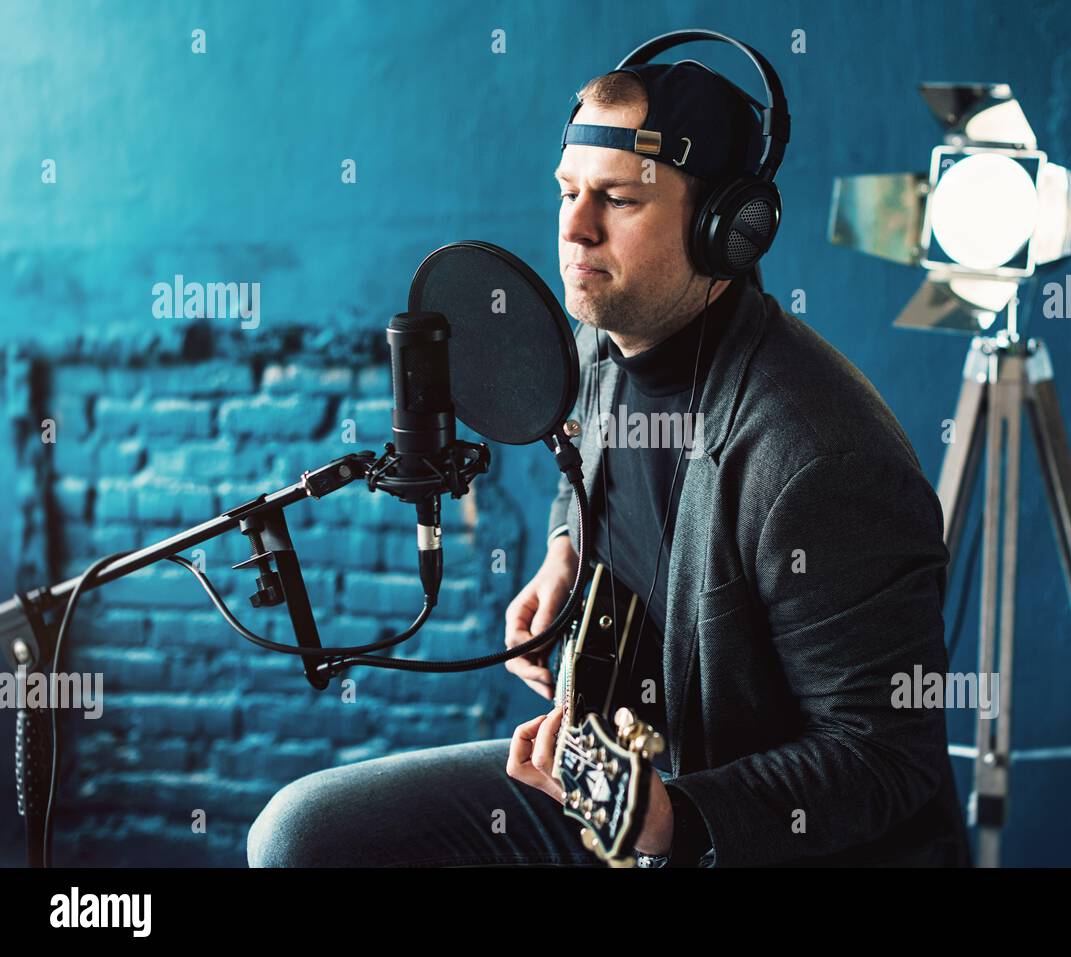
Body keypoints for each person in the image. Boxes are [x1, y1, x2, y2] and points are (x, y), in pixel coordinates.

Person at [247, 34, 970, 868]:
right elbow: (587, 476)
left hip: (730, 829)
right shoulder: (602, 342)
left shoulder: (819, 457)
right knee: (301, 835)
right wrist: (565, 551)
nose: (576, 228)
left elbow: (885, 756)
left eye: (620, 200)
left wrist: (675, 818)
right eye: (568, 192)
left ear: (725, 231)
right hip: (604, 786)